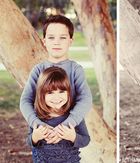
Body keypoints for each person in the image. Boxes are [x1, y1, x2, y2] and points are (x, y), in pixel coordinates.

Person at [20, 15, 92, 144]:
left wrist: (65, 126)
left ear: (70, 41)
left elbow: (85, 99)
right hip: (43, 132)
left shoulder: (76, 69)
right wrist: (38, 125)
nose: (56, 42)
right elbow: (25, 100)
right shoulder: (38, 70)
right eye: (51, 37)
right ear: (44, 41)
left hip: (67, 134)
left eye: (62, 38)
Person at [27, 66, 90, 162]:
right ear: (41, 94)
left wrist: (73, 137)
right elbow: (29, 141)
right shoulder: (37, 115)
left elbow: (86, 140)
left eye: (61, 91)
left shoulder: (74, 115)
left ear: (69, 92)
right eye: (50, 92)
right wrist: (35, 137)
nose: (57, 97)